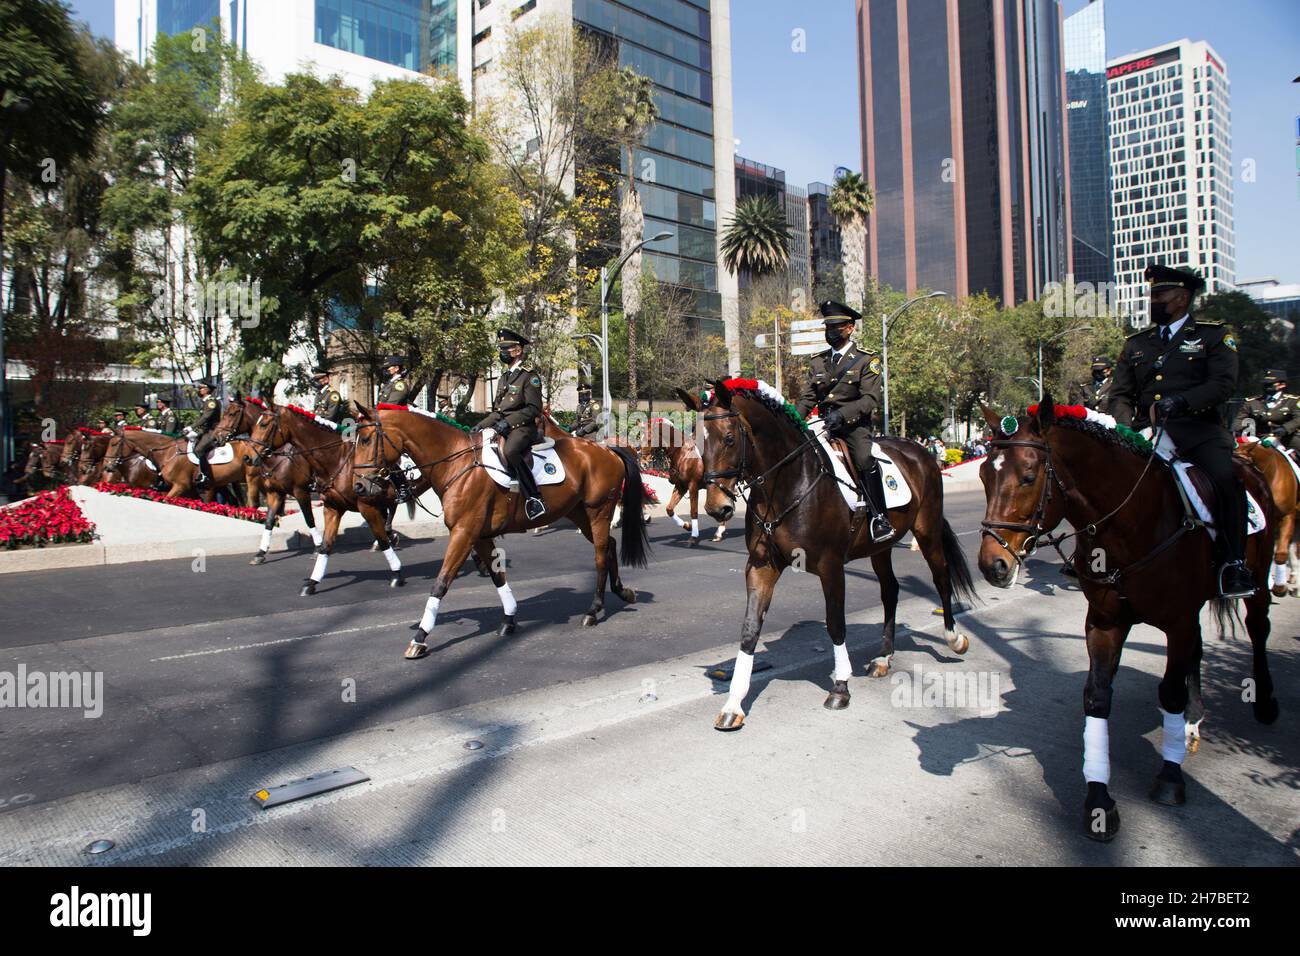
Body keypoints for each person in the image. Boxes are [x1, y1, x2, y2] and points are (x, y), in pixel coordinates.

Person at [1109, 262, 1253, 599]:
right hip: (1147, 434)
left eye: (1161, 294)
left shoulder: (1214, 335)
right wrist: (1123, 427)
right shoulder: (1136, 343)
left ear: (1183, 298)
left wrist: (1181, 403)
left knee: (1226, 481)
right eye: (1152, 294)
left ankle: (1234, 563)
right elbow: (1120, 393)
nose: (1153, 300)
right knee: (1102, 477)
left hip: (1198, 430)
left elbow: (1222, 384)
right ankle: (1095, 555)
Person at [794, 300, 892, 543]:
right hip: (823, 424)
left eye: (836, 327)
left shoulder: (866, 360)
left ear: (850, 328)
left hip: (852, 425)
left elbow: (870, 398)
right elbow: (808, 397)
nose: (831, 332)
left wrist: (843, 415)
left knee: (863, 458)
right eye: (828, 327)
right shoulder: (818, 361)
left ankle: (878, 517)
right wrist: (793, 420)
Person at [473, 328, 546, 521]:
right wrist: (479, 426)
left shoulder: (529, 376)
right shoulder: (504, 378)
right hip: (504, 425)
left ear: (518, 350)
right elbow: (499, 411)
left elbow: (533, 408)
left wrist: (508, 423)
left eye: (506, 348)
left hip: (524, 428)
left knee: (511, 450)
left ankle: (534, 497)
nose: (502, 352)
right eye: (501, 348)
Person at [1232, 368, 1300, 452]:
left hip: (1286, 438)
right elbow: (1239, 419)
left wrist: (1284, 429)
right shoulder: (1252, 402)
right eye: (1265, 384)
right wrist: (1239, 430)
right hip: (1258, 438)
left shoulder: (1293, 401)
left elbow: (1298, 419)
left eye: (1271, 384)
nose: (1267, 386)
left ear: (1282, 385)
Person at [375, 356, 413, 501]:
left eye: (388, 367)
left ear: (396, 368)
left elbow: (390, 405)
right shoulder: (388, 384)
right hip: (385, 423)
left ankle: (403, 486)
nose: (386, 370)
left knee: (390, 454)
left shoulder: (400, 385)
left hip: (396, 425)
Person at [187, 380, 222, 489]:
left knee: (199, 449)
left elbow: (206, 417)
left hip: (213, 431)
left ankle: (204, 475)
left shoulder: (211, 401)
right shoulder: (205, 402)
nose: (199, 390)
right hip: (205, 431)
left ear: (207, 390)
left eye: (201, 388)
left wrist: (192, 427)